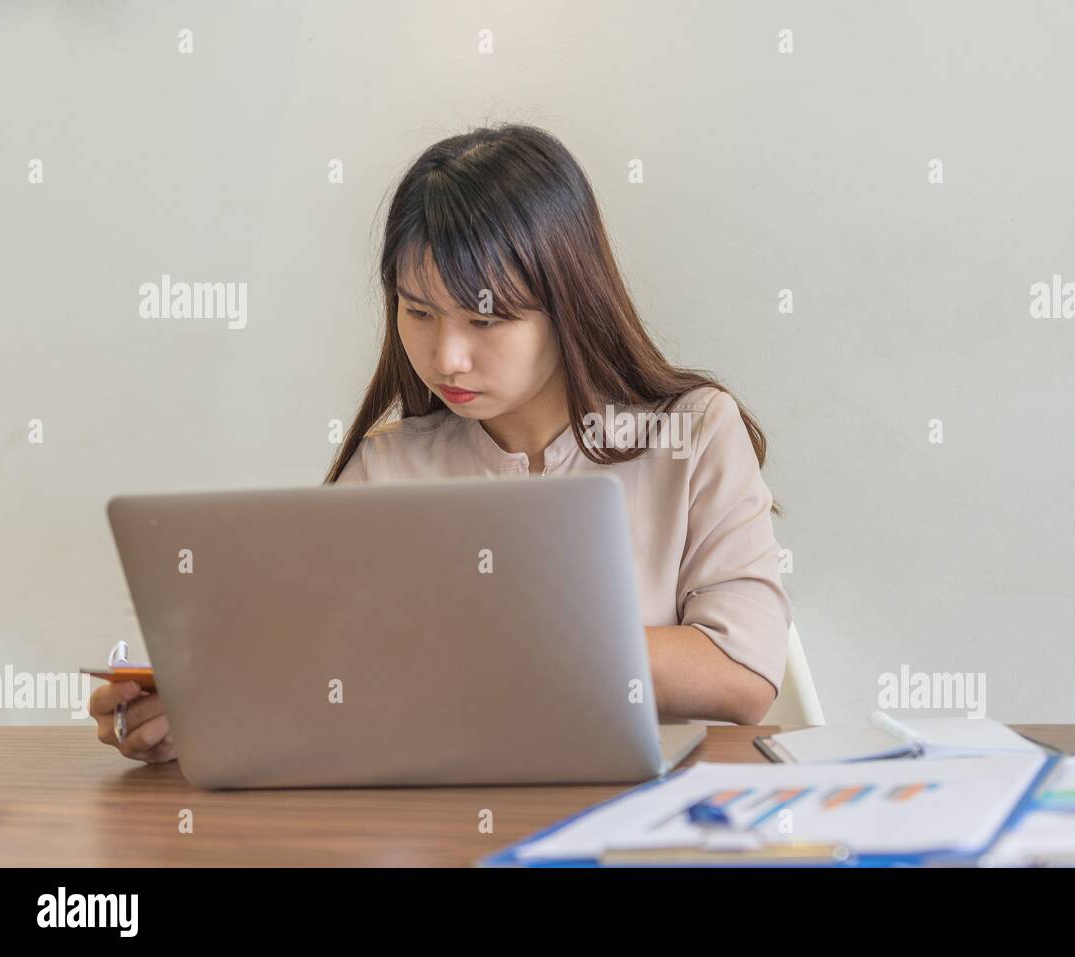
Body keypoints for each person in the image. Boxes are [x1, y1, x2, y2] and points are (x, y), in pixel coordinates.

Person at [92, 123, 792, 764]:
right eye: (418, 311)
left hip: (641, 824)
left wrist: (488, 651)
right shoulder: (389, 465)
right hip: (432, 824)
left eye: (485, 322)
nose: (446, 356)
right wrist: (197, 711)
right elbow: (322, 676)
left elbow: (741, 676)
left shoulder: (694, 433)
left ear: (568, 303)